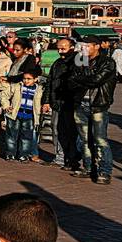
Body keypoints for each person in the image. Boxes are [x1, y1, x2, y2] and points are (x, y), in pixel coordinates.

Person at [68, 35, 117, 184]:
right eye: (83, 46)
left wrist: (80, 78)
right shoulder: (80, 59)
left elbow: (97, 80)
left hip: (98, 105)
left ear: (97, 46)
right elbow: (70, 81)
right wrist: (81, 78)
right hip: (80, 104)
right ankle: (88, 167)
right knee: (83, 140)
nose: (85, 49)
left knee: (100, 139)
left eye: (88, 45)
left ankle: (104, 171)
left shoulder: (107, 62)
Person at [41, 37, 80, 170]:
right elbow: (49, 82)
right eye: (58, 48)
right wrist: (46, 101)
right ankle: (60, 157)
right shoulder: (57, 63)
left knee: (72, 132)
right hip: (57, 102)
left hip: (71, 103)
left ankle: (72, 159)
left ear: (72, 48)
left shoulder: (79, 61)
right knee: (57, 130)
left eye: (63, 48)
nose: (60, 51)